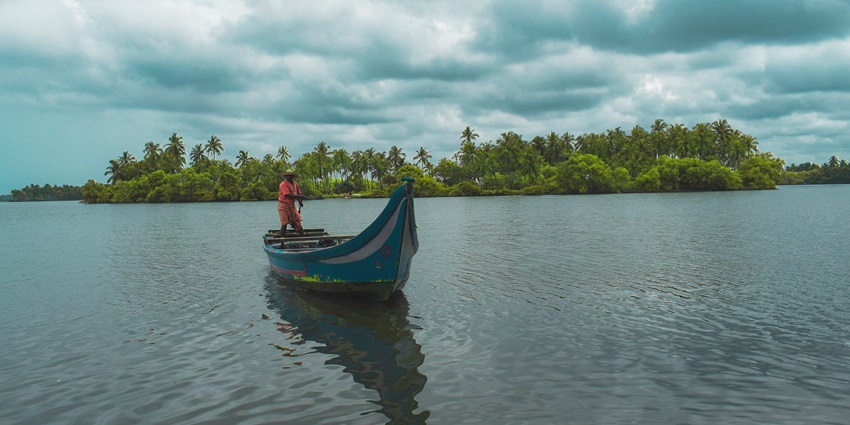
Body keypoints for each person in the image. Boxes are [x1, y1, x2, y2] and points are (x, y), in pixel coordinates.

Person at [278, 169, 306, 237]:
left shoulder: (295, 184)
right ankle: (281, 241)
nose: (289, 177)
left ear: (293, 176)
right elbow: (288, 195)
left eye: (291, 176)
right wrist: (300, 196)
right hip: (283, 206)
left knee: (298, 222)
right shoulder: (283, 184)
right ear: (285, 176)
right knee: (284, 224)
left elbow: (298, 193)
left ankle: (303, 240)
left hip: (292, 206)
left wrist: (300, 202)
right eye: (288, 176)